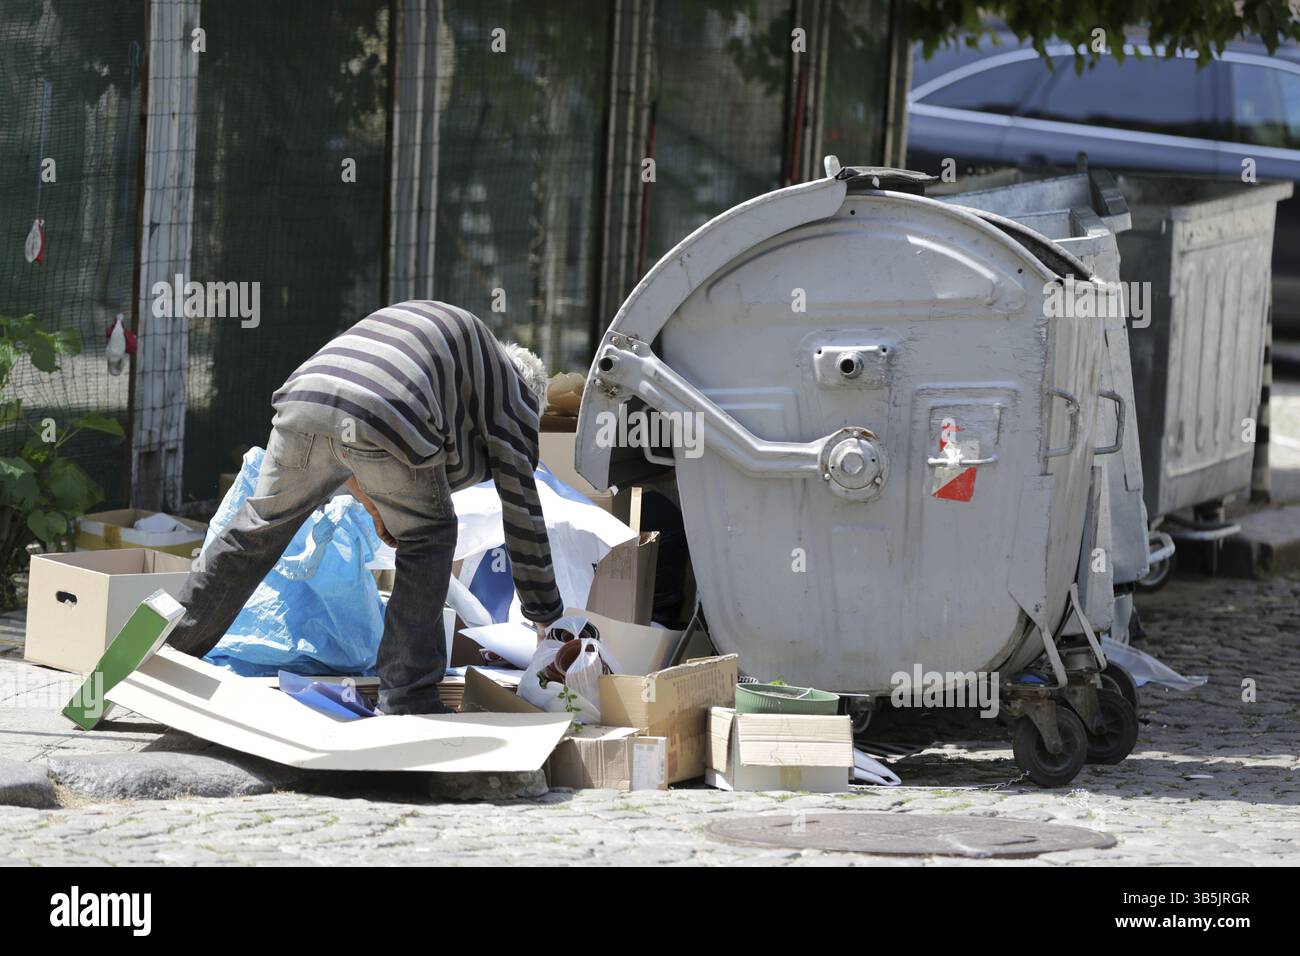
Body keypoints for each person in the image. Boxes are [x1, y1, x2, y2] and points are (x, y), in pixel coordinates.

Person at [167, 300, 564, 714]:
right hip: (381, 412)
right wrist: (546, 618)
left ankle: (167, 652)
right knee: (429, 537)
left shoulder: (459, 354)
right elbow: (523, 516)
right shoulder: (516, 398)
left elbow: (344, 450)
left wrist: (378, 509)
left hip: (306, 400)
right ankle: (408, 696)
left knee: (256, 530)